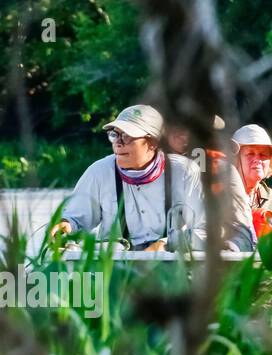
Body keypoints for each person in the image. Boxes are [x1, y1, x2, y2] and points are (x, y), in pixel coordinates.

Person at [55, 104, 206, 249]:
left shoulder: (185, 171)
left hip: (171, 262)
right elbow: (75, 219)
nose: (118, 143)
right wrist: (64, 226)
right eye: (115, 135)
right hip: (116, 265)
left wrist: (166, 244)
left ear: (153, 142)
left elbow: (206, 230)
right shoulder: (98, 171)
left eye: (127, 136)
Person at [231, 124, 272, 247]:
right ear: (236, 159)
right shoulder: (219, 196)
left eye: (263, 155)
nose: (257, 159)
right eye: (250, 154)